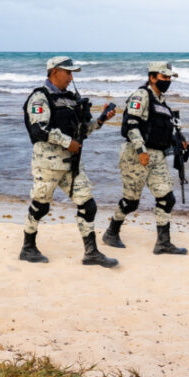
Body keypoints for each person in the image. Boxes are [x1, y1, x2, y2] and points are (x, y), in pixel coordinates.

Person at [21, 56, 118, 267]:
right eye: (68, 72)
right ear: (55, 72)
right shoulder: (40, 97)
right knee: (40, 207)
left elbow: (82, 132)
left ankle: (91, 253)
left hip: (71, 165)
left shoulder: (72, 99)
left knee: (88, 205)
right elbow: (39, 130)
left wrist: (101, 120)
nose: (71, 77)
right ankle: (28, 248)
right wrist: (67, 142)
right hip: (47, 164)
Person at [104, 61, 189, 255]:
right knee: (131, 201)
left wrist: (180, 140)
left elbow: (163, 130)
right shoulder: (140, 96)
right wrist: (141, 151)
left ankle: (163, 243)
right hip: (136, 155)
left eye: (169, 78)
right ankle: (111, 233)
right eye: (164, 77)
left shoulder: (162, 103)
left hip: (157, 156)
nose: (167, 81)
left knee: (167, 198)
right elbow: (131, 125)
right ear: (152, 77)